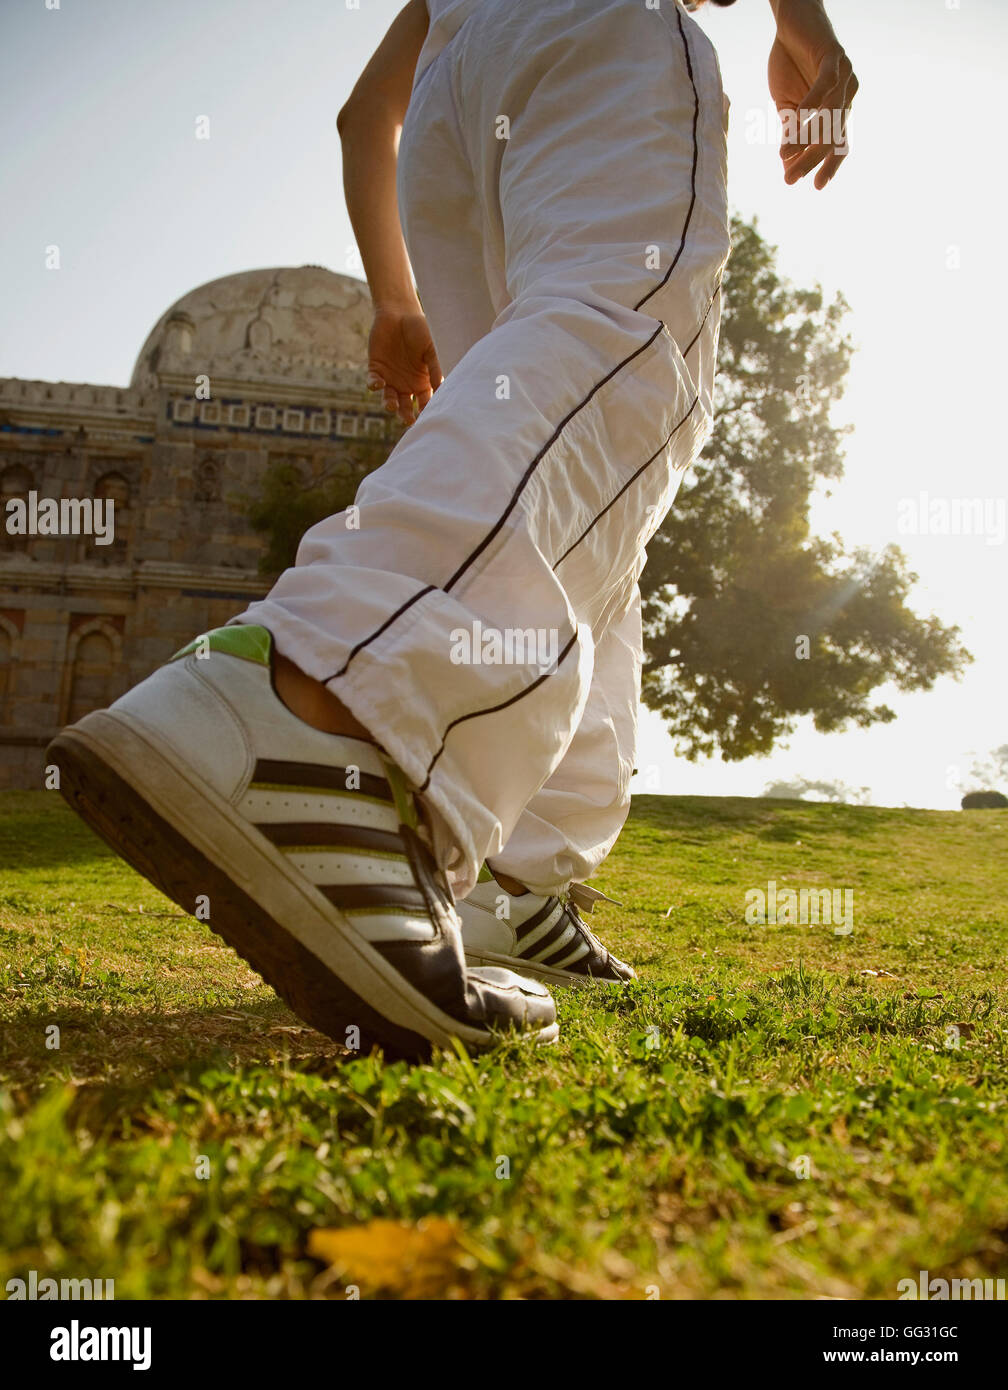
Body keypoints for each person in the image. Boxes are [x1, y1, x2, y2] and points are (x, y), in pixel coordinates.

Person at [49, 0, 857, 1058]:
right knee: (630, 351)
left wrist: (393, 298)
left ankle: (514, 883)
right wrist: (807, 24)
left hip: (454, 112)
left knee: (580, 492)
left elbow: (359, 119)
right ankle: (322, 715)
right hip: (602, 41)